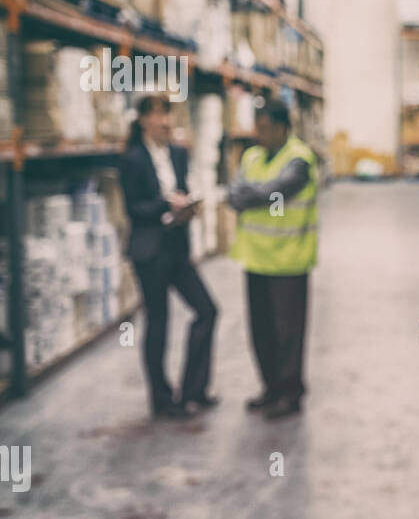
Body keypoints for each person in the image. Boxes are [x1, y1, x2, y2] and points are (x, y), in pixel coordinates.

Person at [120, 94, 220, 419]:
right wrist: (167, 205)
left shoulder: (178, 153)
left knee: (207, 310)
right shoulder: (133, 159)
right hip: (149, 251)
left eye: (167, 113)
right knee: (159, 322)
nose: (165, 121)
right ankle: (162, 400)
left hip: (176, 247)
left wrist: (187, 208)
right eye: (157, 114)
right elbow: (134, 209)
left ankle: (194, 390)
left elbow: (181, 189)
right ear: (143, 120)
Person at [226, 98, 319, 420]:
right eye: (257, 128)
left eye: (266, 129)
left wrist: (252, 194)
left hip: (289, 262)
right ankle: (270, 389)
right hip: (255, 259)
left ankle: (290, 393)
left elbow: (277, 192)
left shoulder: (299, 160)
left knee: (288, 333)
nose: (260, 135)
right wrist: (252, 193)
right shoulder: (251, 156)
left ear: (282, 128)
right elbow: (233, 194)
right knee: (261, 331)